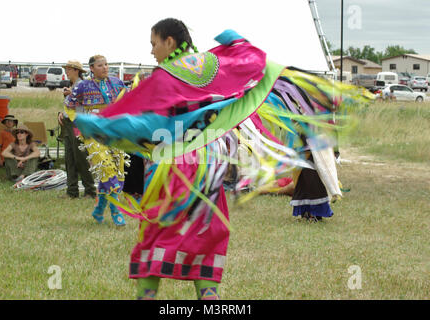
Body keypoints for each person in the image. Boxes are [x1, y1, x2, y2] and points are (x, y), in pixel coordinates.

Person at [74, 18, 372, 299]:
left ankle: (148, 295)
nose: (151, 51)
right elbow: (252, 60)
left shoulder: (165, 78)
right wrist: (233, 38)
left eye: (154, 43)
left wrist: (100, 126)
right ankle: (209, 296)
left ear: (169, 41)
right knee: (204, 233)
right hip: (210, 166)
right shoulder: (213, 64)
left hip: (174, 169)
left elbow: (150, 125)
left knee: (156, 234)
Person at [65, 55, 128, 226]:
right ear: (92, 68)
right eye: (100, 65)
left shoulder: (117, 83)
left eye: (106, 64)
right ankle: (116, 211)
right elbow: (70, 105)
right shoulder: (83, 86)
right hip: (93, 134)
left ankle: (99, 209)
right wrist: (80, 124)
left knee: (118, 170)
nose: (105, 68)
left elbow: (129, 103)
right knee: (107, 169)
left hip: (114, 133)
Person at [58, 60, 96, 199]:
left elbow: (87, 101)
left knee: (80, 157)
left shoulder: (82, 85)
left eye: (68, 69)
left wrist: (71, 94)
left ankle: (90, 190)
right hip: (69, 123)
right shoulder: (72, 85)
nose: (66, 72)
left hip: (77, 124)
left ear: (76, 70)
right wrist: (62, 114)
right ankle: (72, 190)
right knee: (69, 157)